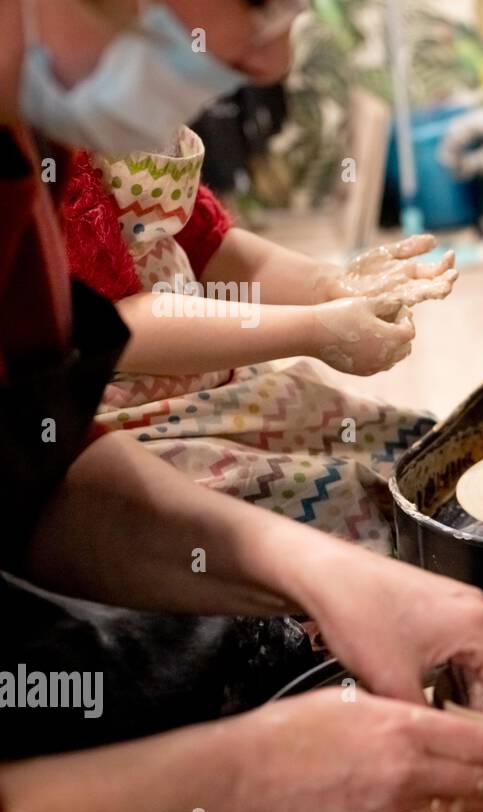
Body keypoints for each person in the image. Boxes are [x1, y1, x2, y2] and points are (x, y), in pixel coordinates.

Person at [0, 0, 483, 812]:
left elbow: (32, 469)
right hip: (148, 418)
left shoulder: (37, 141)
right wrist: (246, 782)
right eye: (257, 8)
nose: (275, 66)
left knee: (407, 480)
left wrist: (315, 572)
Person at [57, 0, 457, 553]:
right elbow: (118, 325)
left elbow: (207, 245)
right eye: (264, 20)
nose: (277, 63)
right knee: (350, 505)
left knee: (417, 455)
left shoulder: (139, 91)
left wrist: (329, 286)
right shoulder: (55, 133)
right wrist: (315, 331)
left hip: (203, 377)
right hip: (104, 420)